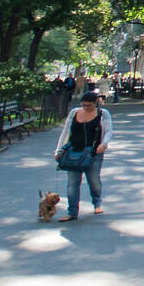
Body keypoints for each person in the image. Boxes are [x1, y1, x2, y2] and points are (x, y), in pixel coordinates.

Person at [53, 91, 111, 222]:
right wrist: (58, 150)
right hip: (74, 151)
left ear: (95, 103)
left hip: (93, 152)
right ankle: (72, 212)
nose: (85, 107)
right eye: (83, 105)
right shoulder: (74, 112)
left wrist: (104, 143)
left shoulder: (103, 114)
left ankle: (97, 202)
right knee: (72, 183)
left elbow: (108, 131)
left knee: (93, 180)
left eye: (88, 105)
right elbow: (65, 132)